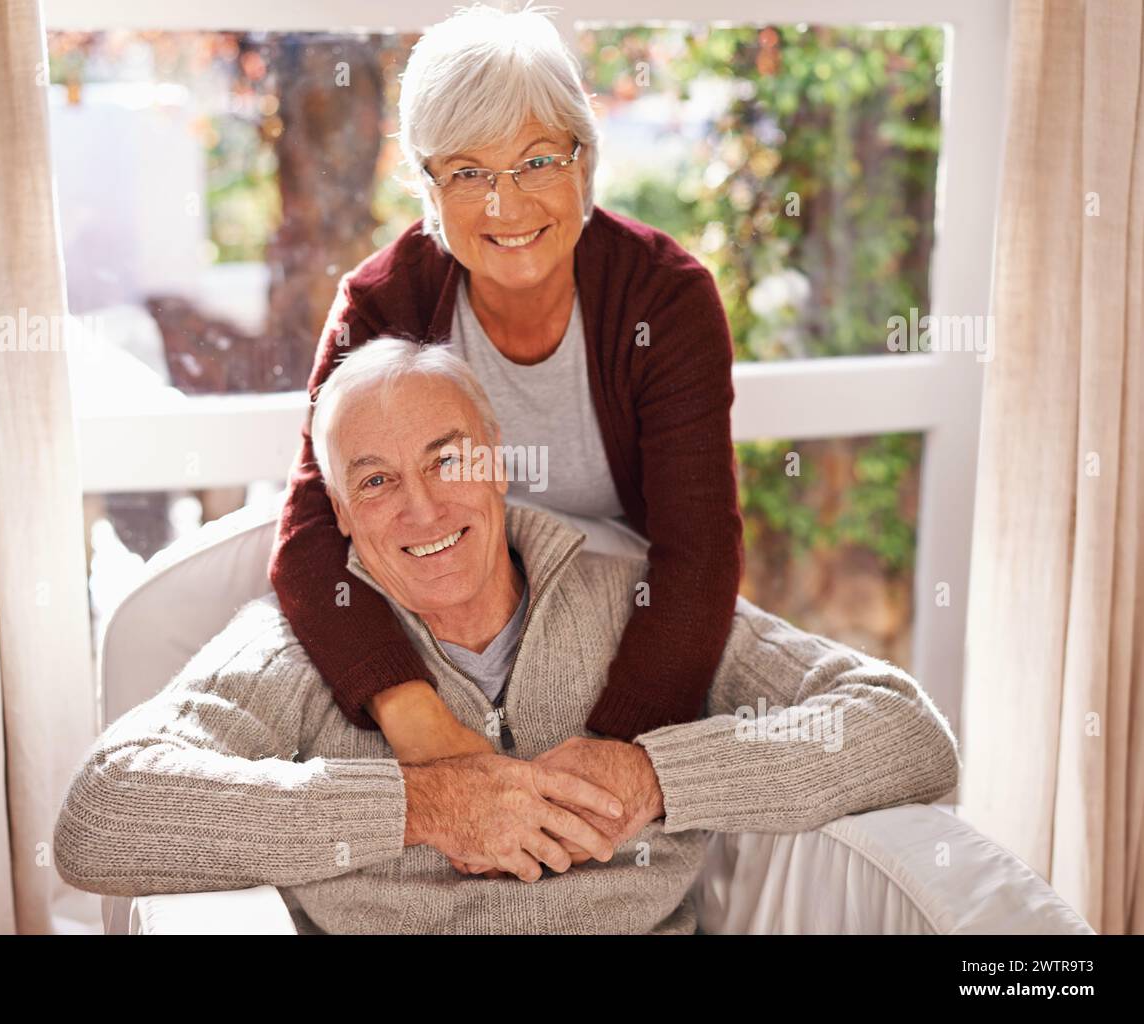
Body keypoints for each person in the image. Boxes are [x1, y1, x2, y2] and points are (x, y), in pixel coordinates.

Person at [55, 338, 961, 934]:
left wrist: (656, 777)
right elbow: (102, 818)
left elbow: (902, 729)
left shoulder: (642, 611)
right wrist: (420, 806)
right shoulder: (291, 649)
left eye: (446, 459)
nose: (421, 507)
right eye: (374, 483)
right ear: (338, 511)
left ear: (495, 456)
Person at [268, 3, 744, 767]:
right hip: (438, 642)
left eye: (536, 162)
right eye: (468, 172)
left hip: (612, 630)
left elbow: (699, 552)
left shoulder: (665, 301)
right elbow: (310, 537)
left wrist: (611, 751)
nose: (506, 205)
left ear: (582, 159)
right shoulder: (382, 304)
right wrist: (414, 716)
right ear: (429, 183)